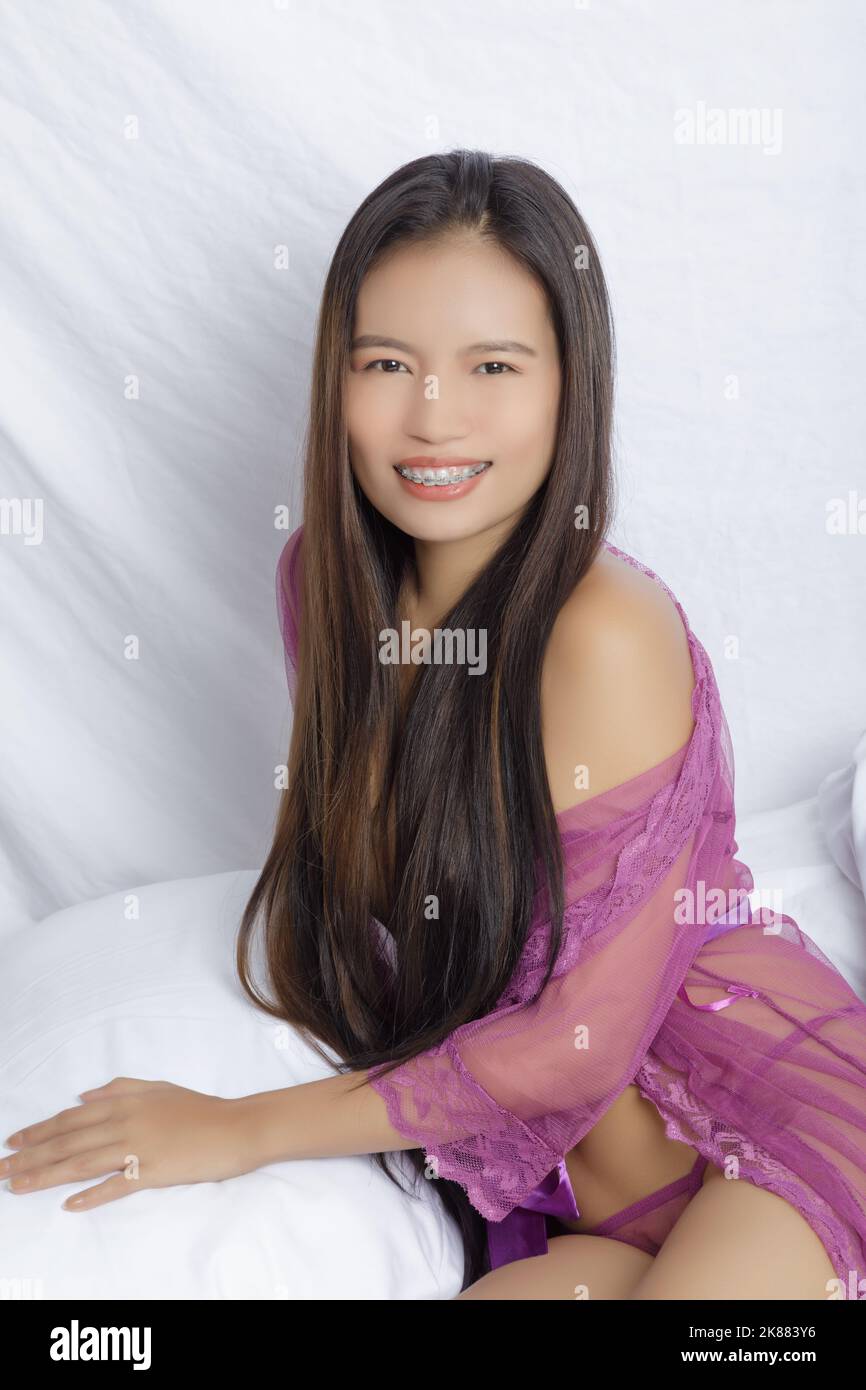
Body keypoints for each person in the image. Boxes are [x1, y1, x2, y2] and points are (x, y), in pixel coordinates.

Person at [5, 150, 865, 1301]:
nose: (432, 416)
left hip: (774, 1152)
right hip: (570, 1212)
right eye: (387, 362)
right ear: (337, 378)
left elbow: (583, 1040)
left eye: (492, 365)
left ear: (570, 384)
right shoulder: (325, 585)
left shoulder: (600, 633)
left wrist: (241, 1127)